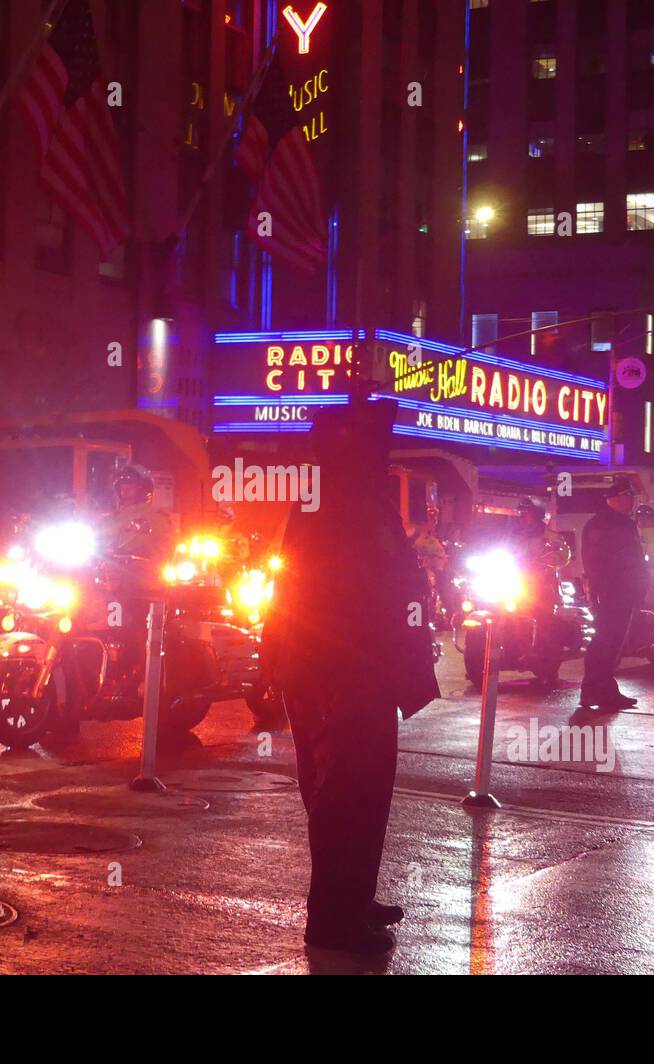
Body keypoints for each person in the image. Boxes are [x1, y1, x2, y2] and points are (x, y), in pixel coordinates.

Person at [261, 395, 440, 957]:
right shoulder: (339, 495)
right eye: (375, 438)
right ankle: (335, 922)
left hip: (352, 667)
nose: (385, 447)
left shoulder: (345, 489)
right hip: (340, 670)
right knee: (345, 792)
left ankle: (352, 899)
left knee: (361, 791)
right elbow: (348, 587)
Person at [579, 477, 648, 711]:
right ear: (616, 499)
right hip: (613, 592)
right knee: (606, 641)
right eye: (628, 496)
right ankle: (593, 690)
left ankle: (603, 689)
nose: (631, 501)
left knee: (611, 642)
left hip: (617, 591)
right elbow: (602, 562)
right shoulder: (609, 525)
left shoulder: (609, 523)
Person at [506, 497, 571, 685]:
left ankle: (547, 660)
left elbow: (564, 554)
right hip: (515, 580)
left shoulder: (548, 535)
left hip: (540, 583)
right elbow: (502, 550)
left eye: (527, 511)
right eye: (521, 511)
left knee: (544, 620)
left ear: (536, 514)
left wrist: (549, 559)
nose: (522, 514)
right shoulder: (513, 533)